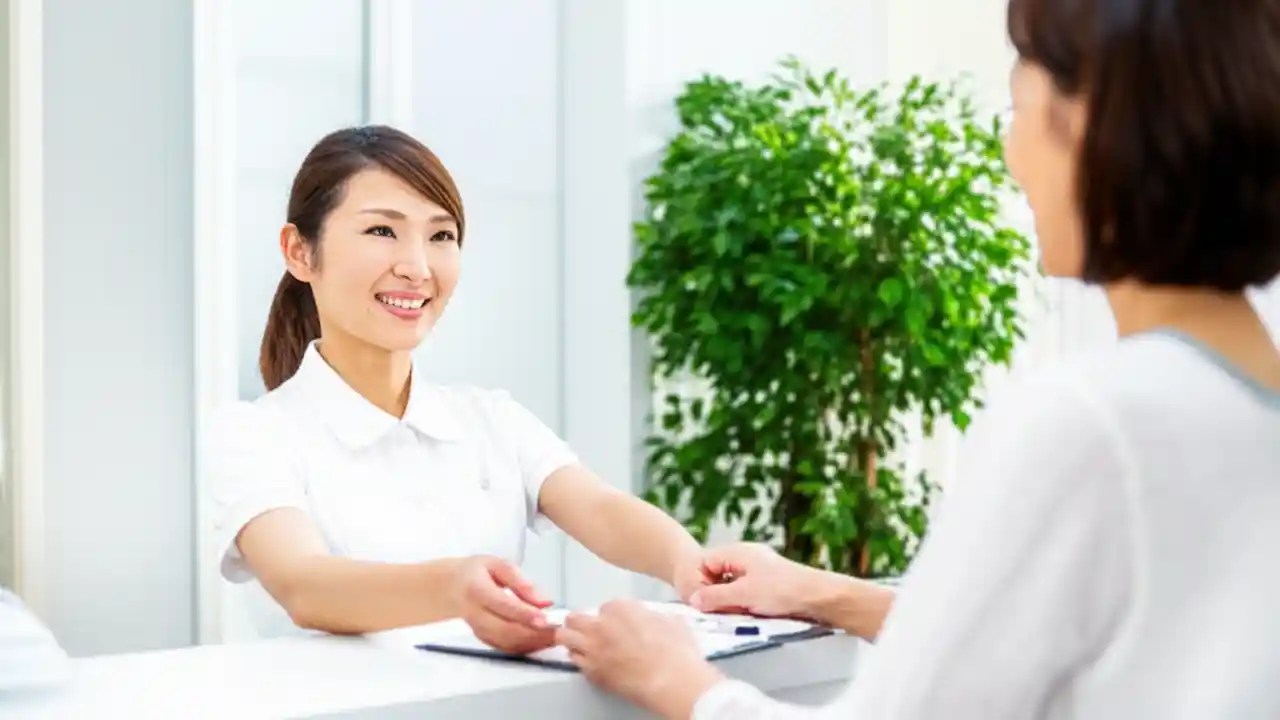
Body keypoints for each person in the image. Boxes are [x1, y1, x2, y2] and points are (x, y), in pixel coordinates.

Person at [554, 0, 1280, 716]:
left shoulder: (1093, 422)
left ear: (1091, 126)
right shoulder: (1240, 403)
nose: (1010, 154)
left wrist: (679, 682)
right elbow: (1064, 647)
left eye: (1018, 109)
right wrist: (821, 593)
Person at [207, 126, 710, 648]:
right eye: (382, 231)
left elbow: (602, 510)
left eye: (441, 236)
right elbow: (304, 585)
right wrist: (454, 587)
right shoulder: (254, 433)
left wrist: (688, 562)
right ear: (300, 252)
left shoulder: (491, 418)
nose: (417, 267)